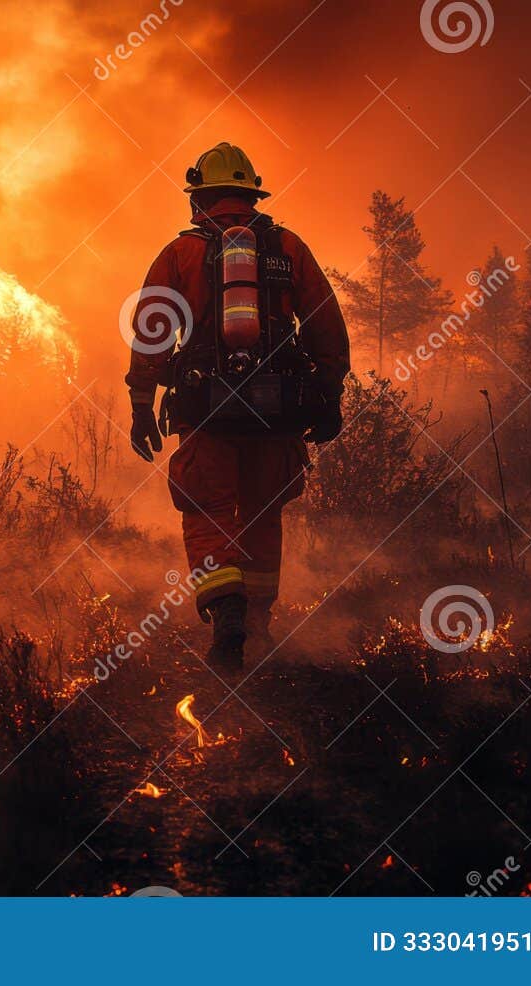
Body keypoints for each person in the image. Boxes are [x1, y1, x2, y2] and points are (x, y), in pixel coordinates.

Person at [126, 143, 350, 671]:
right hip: (279, 411)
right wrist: (329, 395)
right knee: (263, 516)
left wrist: (141, 403)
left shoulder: (179, 254)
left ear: (199, 199)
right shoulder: (289, 247)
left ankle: (225, 606)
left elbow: (151, 332)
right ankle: (258, 626)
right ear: (252, 196)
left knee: (206, 511)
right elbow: (325, 323)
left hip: (206, 409)